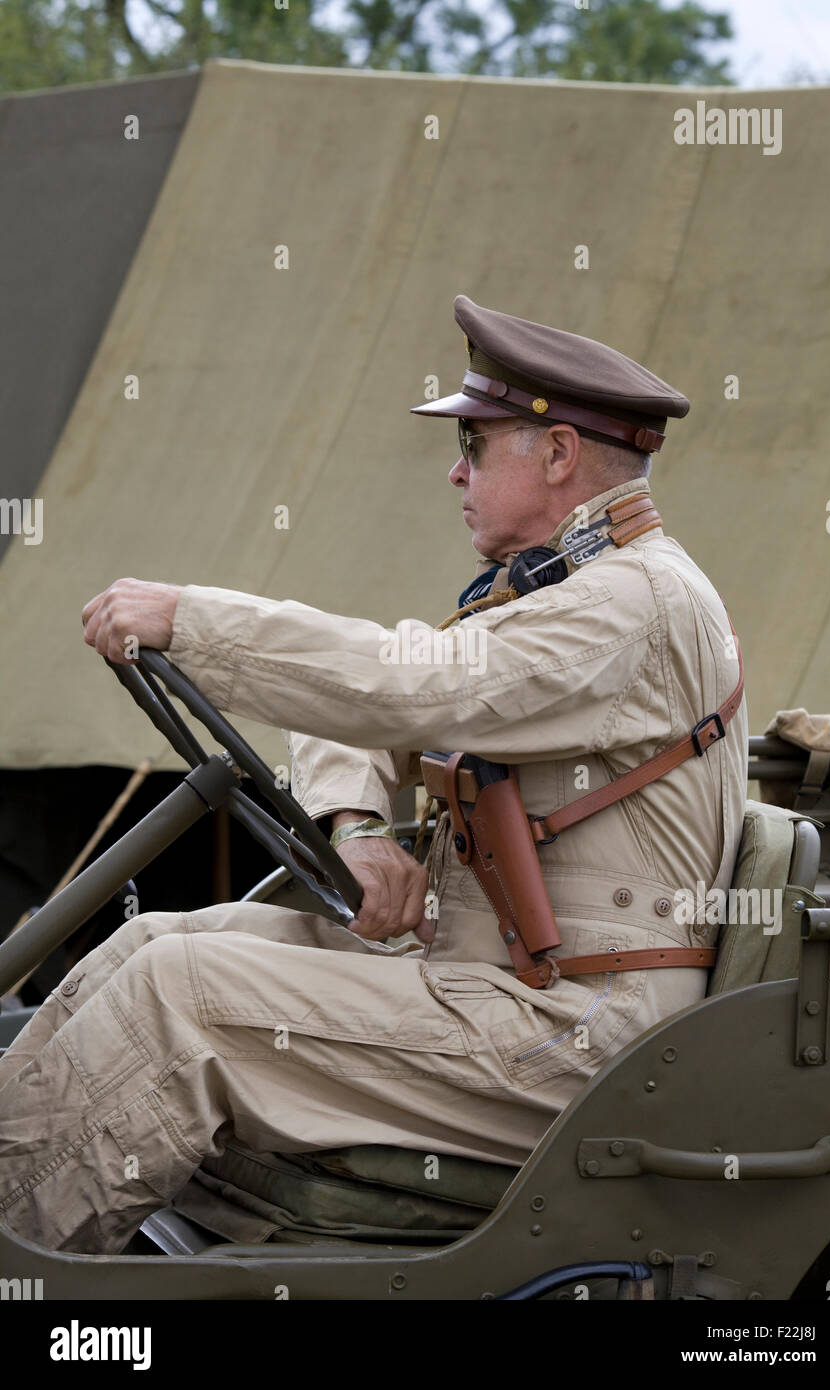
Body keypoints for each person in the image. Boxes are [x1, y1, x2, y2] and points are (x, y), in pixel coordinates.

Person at [0, 295, 747, 1253]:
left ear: (559, 456)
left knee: (181, 995)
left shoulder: (631, 603)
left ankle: (21, 1263)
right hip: (501, 981)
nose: (454, 471)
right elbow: (370, 706)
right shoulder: (563, 586)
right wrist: (356, 827)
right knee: (151, 946)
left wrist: (192, 620)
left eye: (475, 445)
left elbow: (405, 682)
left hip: (577, 1029)